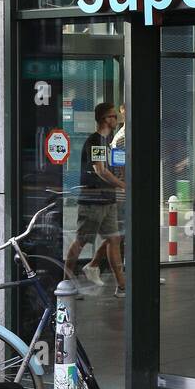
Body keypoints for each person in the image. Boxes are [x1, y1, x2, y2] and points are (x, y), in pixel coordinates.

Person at [64, 101, 126, 296]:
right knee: (81, 241)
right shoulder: (95, 141)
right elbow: (100, 170)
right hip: (93, 200)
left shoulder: (108, 141)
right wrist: (123, 185)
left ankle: (122, 285)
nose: (115, 119)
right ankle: (67, 282)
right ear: (102, 119)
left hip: (108, 200)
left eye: (116, 116)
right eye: (112, 116)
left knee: (114, 239)